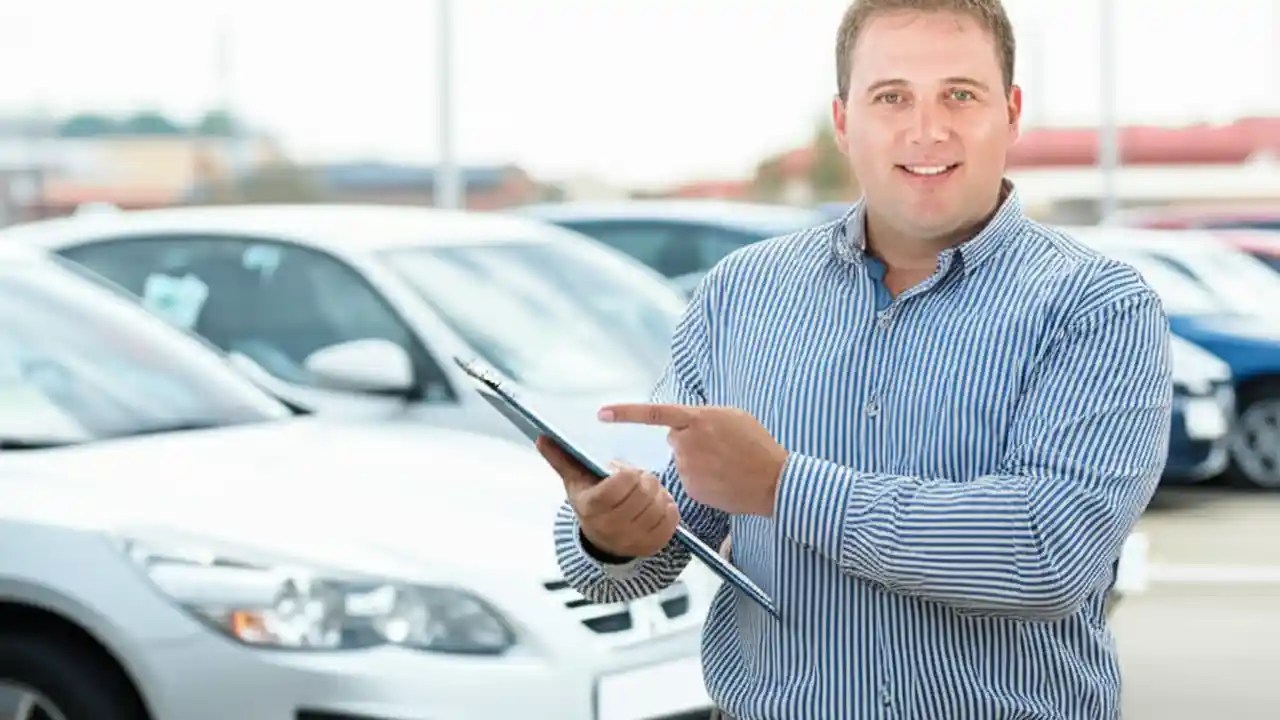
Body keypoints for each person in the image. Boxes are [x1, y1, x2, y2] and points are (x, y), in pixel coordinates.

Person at [536, 0, 1173, 717]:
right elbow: (671, 535)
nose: (927, 129)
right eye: (891, 97)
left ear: (1013, 112)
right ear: (843, 121)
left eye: (960, 95)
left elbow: (1049, 551)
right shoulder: (741, 295)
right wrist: (612, 537)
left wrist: (786, 487)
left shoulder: (1099, 306)